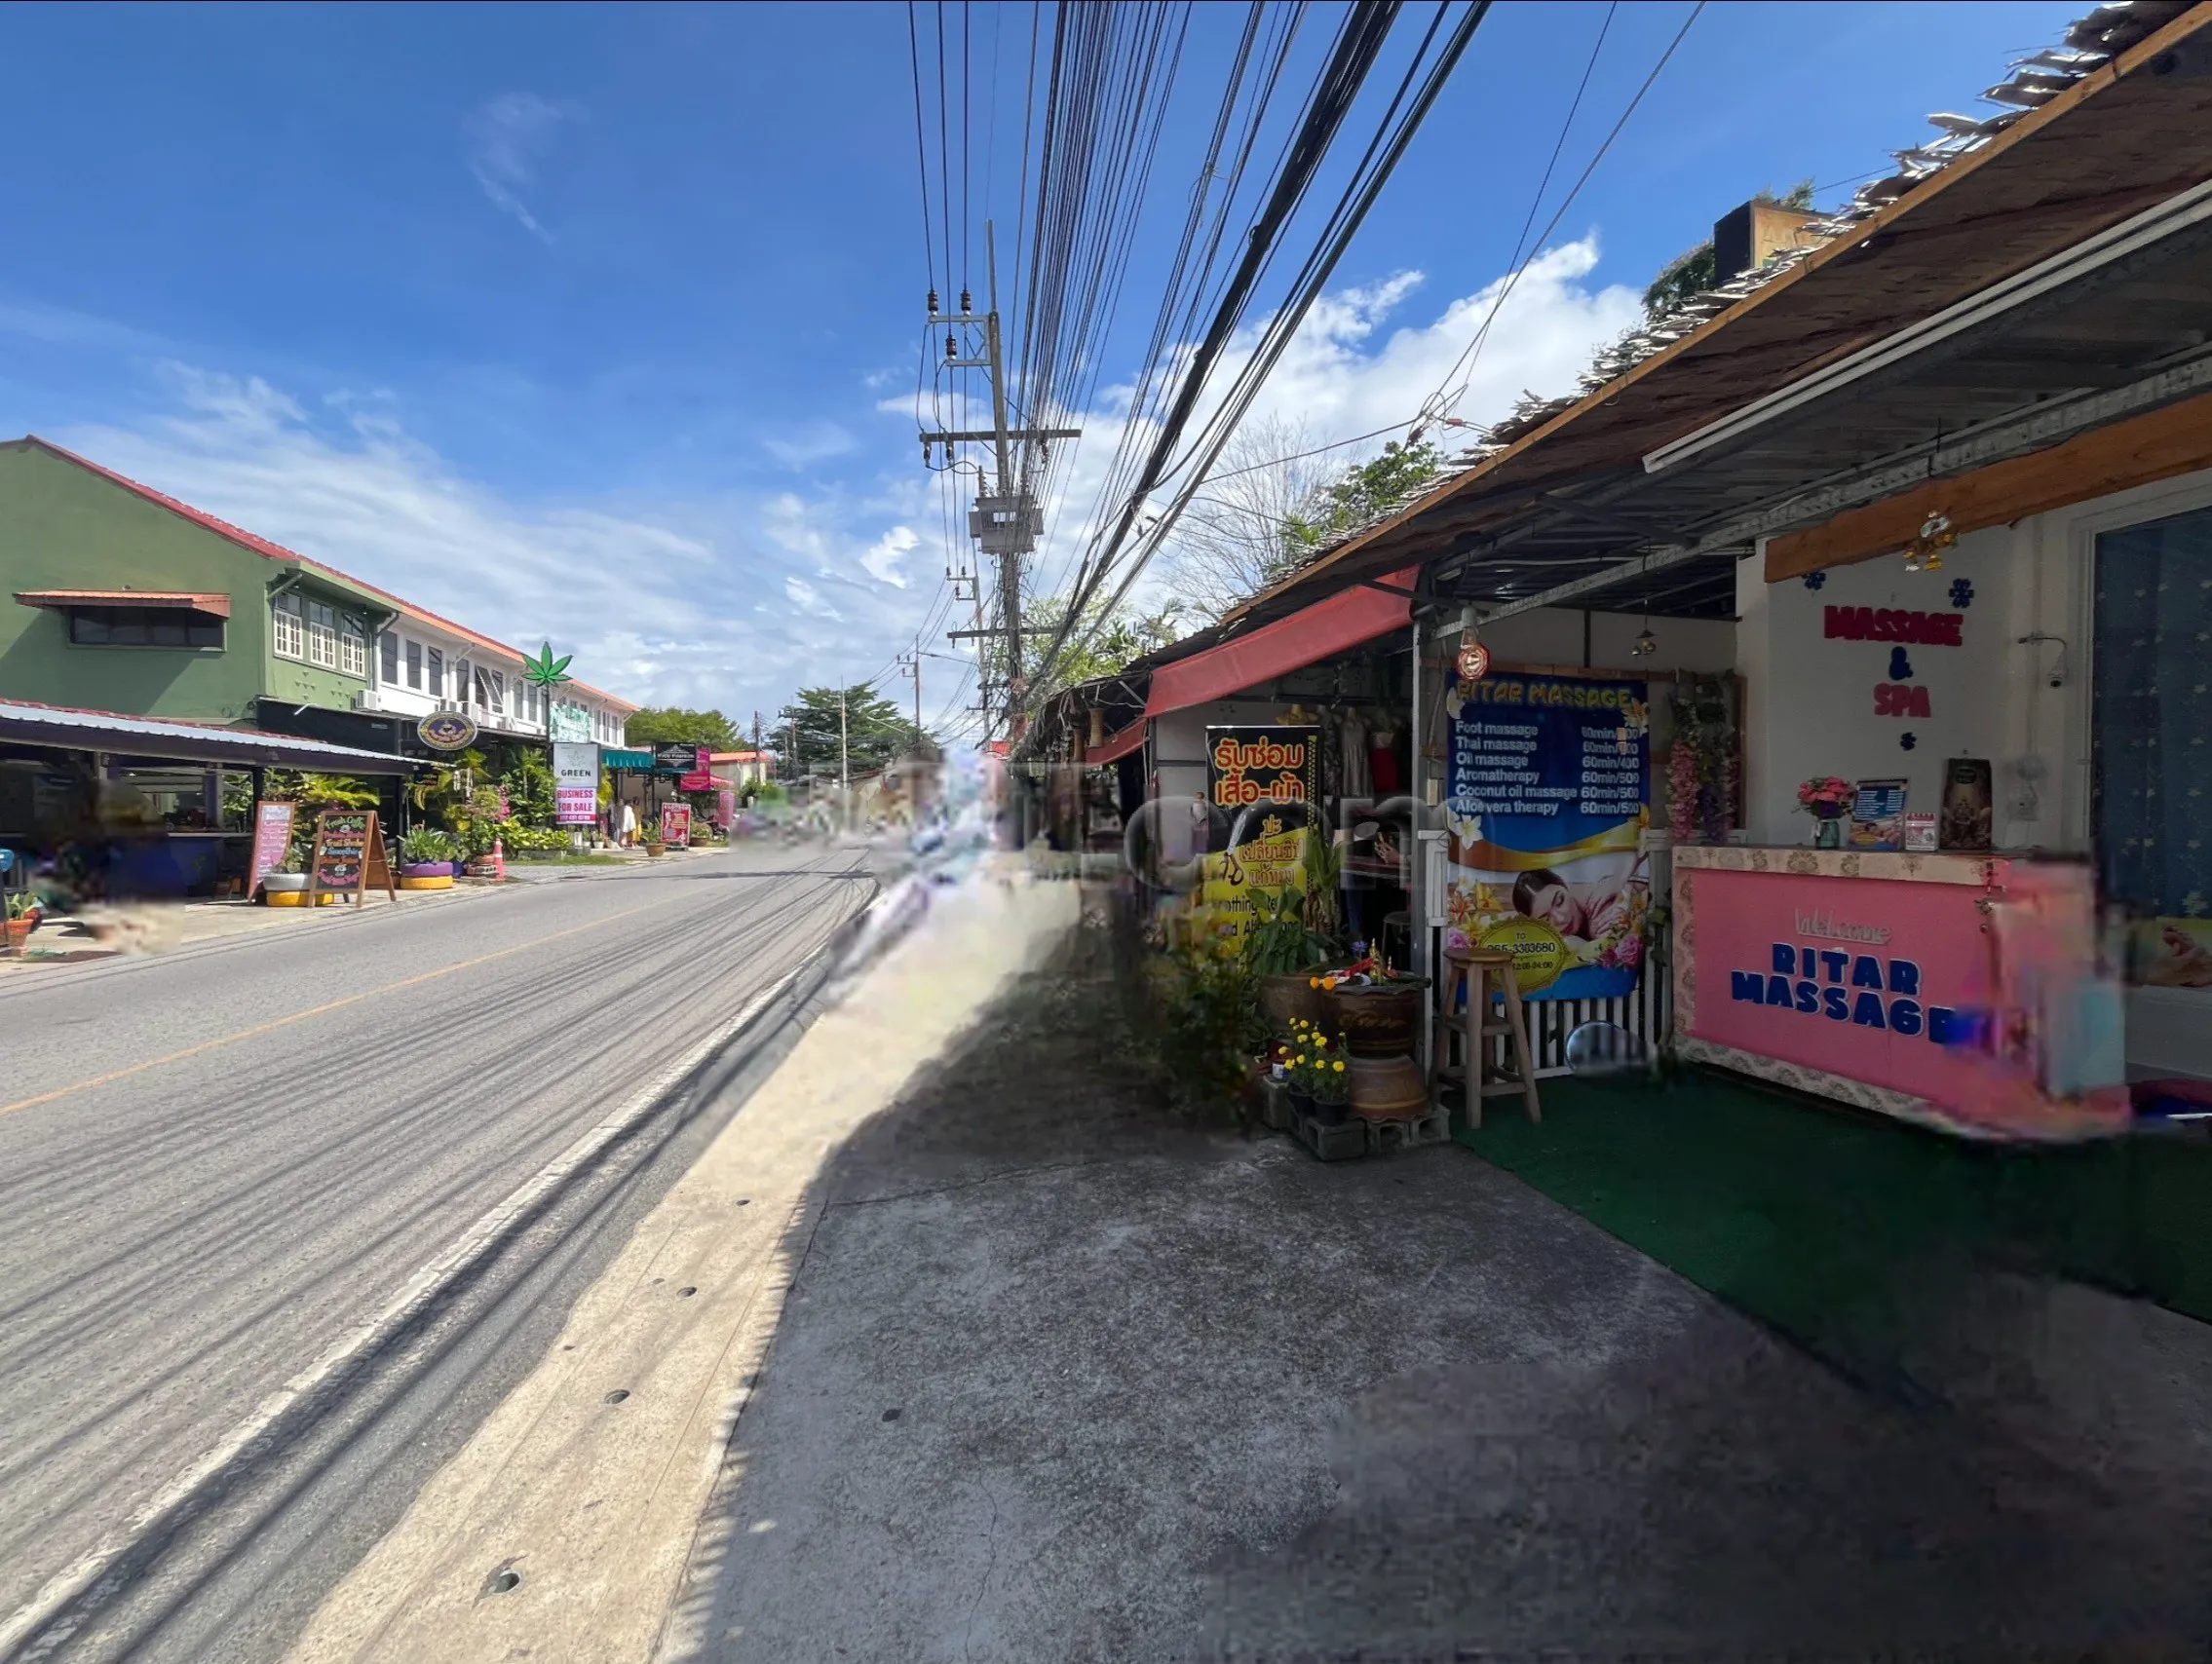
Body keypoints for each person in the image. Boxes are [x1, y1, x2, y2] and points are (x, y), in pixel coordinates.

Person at [1511, 858, 1645, 949]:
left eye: (1560, 901)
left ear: (1565, 886)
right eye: (1546, 919)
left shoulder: (1601, 906)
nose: (1561, 919)